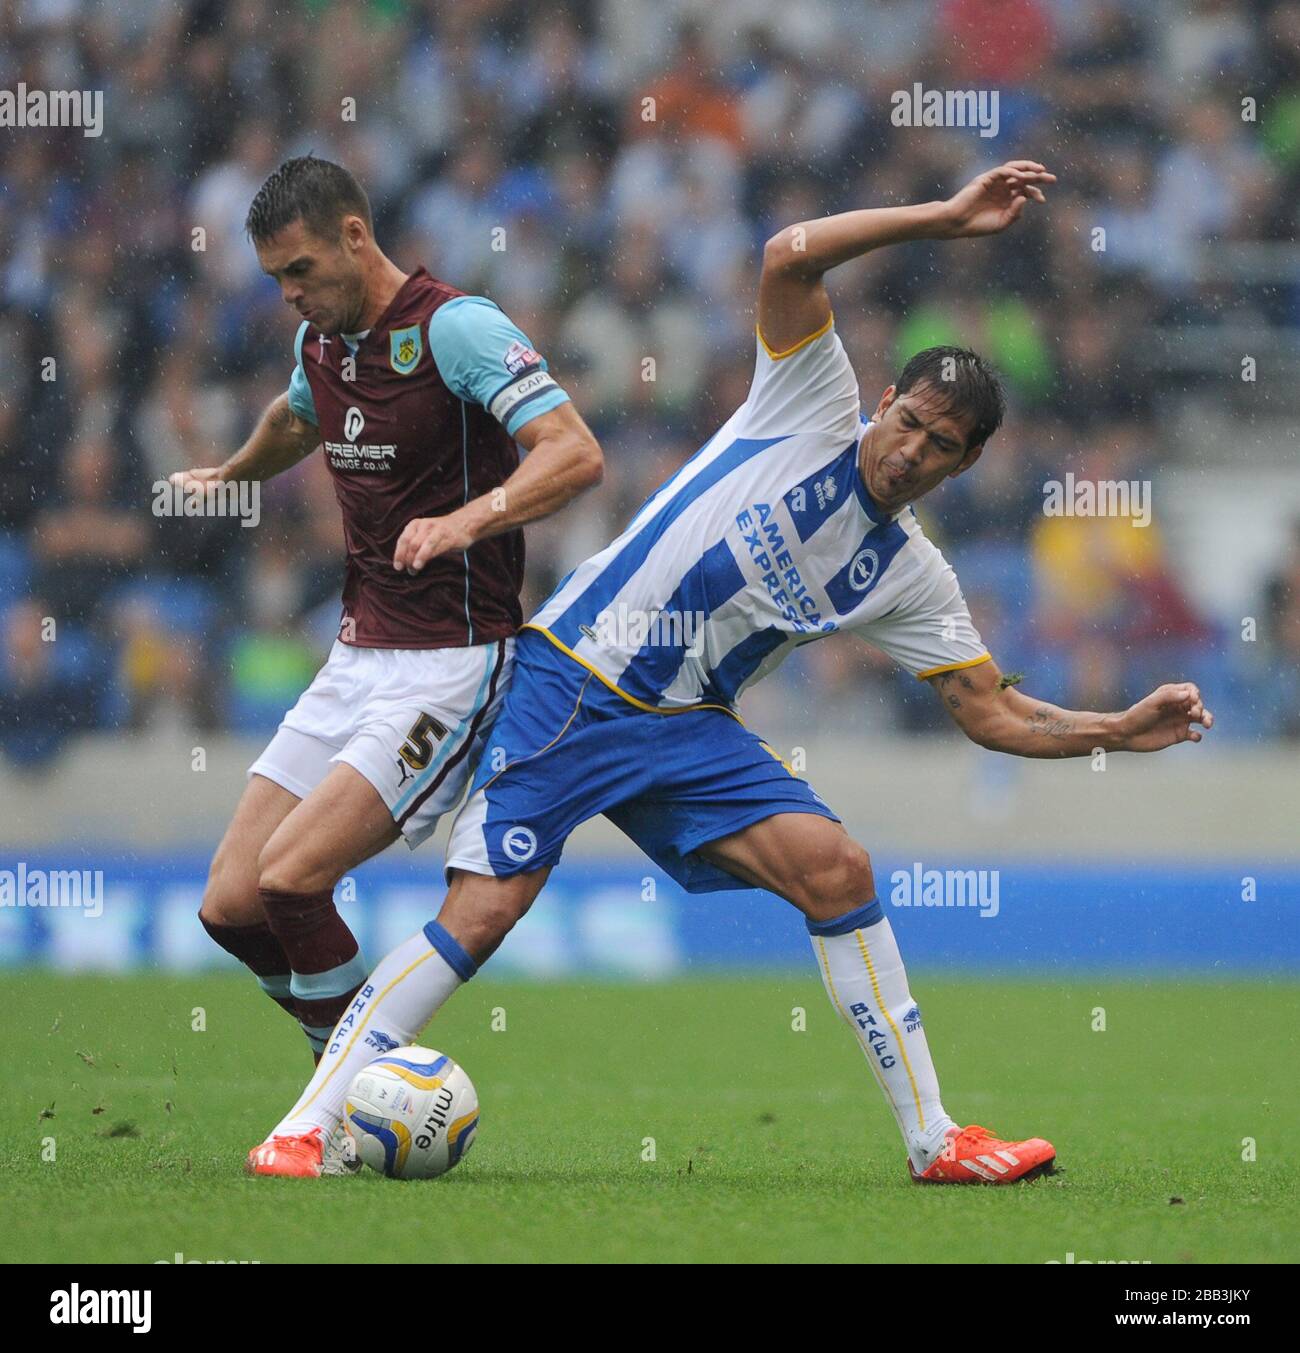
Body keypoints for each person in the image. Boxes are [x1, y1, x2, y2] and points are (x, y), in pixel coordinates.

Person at [248, 160, 1212, 1184]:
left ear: (962, 467)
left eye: (940, 448)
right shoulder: (805, 398)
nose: (911, 451)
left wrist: (1113, 728)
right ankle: (306, 1126)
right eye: (909, 422)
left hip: (685, 730)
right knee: (486, 910)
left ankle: (937, 1141)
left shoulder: (911, 575)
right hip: (572, 676)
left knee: (838, 872)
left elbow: (992, 711)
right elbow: (788, 254)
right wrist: (940, 216)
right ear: (879, 402)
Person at [172, 156, 602, 1171]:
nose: (289, 293)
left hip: (453, 661)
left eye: (302, 269)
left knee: (292, 879)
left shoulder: (454, 327)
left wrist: (467, 518)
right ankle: (366, 1068)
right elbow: (295, 418)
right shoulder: (320, 340)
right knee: (230, 903)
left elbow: (575, 451)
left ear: (357, 237)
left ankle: (324, 1114)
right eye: (277, 277)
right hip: (356, 655)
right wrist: (234, 470)